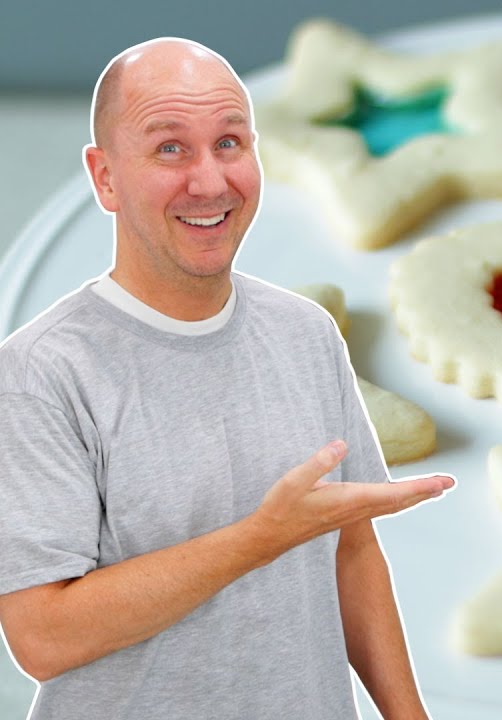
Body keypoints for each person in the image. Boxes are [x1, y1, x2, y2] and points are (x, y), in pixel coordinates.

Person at [0, 38, 453, 720]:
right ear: (106, 177)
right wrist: (261, 537)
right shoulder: (43, 371)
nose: (210, 183)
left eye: (231, 143)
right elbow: (42, 636)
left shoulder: (305, 333)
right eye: (171, 149)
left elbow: (352, 552)